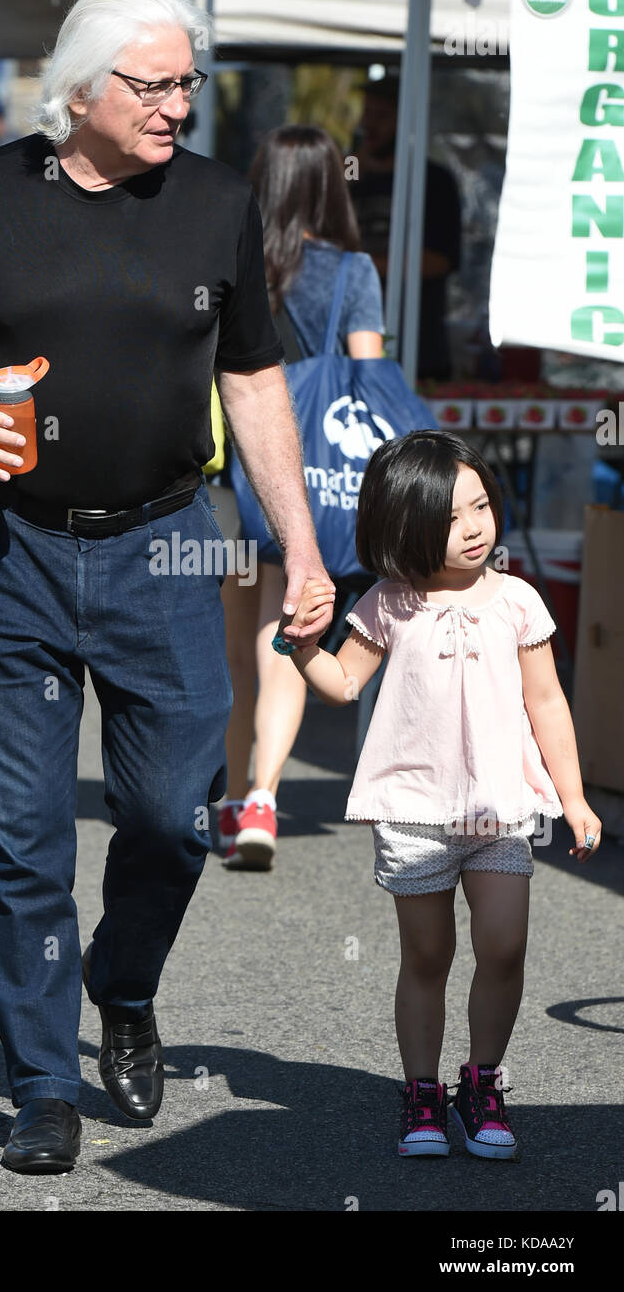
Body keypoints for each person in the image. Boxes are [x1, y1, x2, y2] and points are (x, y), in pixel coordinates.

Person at [0, 0, 334, 1174]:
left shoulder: (217, 201)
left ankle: (124, 988)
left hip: (168, 546)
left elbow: (254, 381)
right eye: (157, 83)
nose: (180, 103)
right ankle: (39, 1081)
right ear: (81, 92)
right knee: (21, 839)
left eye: (188, 81)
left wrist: (301, 547)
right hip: (3, 551)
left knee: (175, 819)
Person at [281, 430, 602, 1159]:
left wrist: (573, 799)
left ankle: (482, 1082)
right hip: (412, 813)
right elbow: (341, 684)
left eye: (480, 505)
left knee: (504, 945)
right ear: (405, 527)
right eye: (451, 517)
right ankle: (421, 1091)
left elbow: (547, 702)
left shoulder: (518, 600)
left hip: (499, 809)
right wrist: (303, 646)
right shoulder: (390, 602)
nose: (473, 526)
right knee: (425, 957)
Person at [218, 125, 384, 871]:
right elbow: (368, 380)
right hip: (309, 473)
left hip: (232, 466)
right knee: (286, 626)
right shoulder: (352, 272)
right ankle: (262, 796)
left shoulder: (235, 258)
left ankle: (226, 799)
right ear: (330, 185)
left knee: (235, 637)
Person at [350, 76, 461, 382]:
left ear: (406, 121)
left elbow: (439, 260)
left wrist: (356, 268)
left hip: (419, 351)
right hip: (348, 349)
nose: (369, 125)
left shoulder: (433, 181)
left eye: (381, 116)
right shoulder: (346, 174)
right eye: (366, 113)